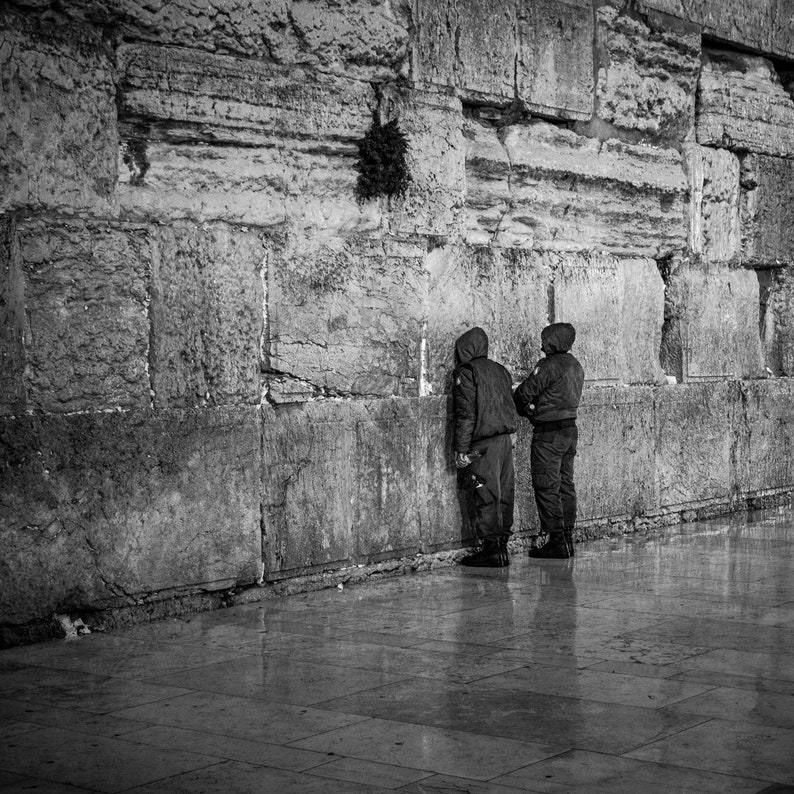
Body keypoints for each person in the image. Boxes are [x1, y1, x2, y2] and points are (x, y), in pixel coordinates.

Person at [513, 322, 584, 559]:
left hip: (548, 434)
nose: (542, 344)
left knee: (547, 485)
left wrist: (530, 408)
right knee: (565, 484)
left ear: (553, 340)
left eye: (545, 339)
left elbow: (523, 393)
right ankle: (567, 537)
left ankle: (556, 540)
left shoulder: (548, 366)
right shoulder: (575, 365)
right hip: (569, 431)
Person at [453, 327, 518, 567]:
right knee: (504, 494)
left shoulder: (467, 372)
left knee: (486, 493)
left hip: (481, 444)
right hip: (504, 441)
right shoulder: (500, 370)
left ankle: (491, 549)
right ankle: (501, 546)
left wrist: (461, 449)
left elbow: (465, 413)